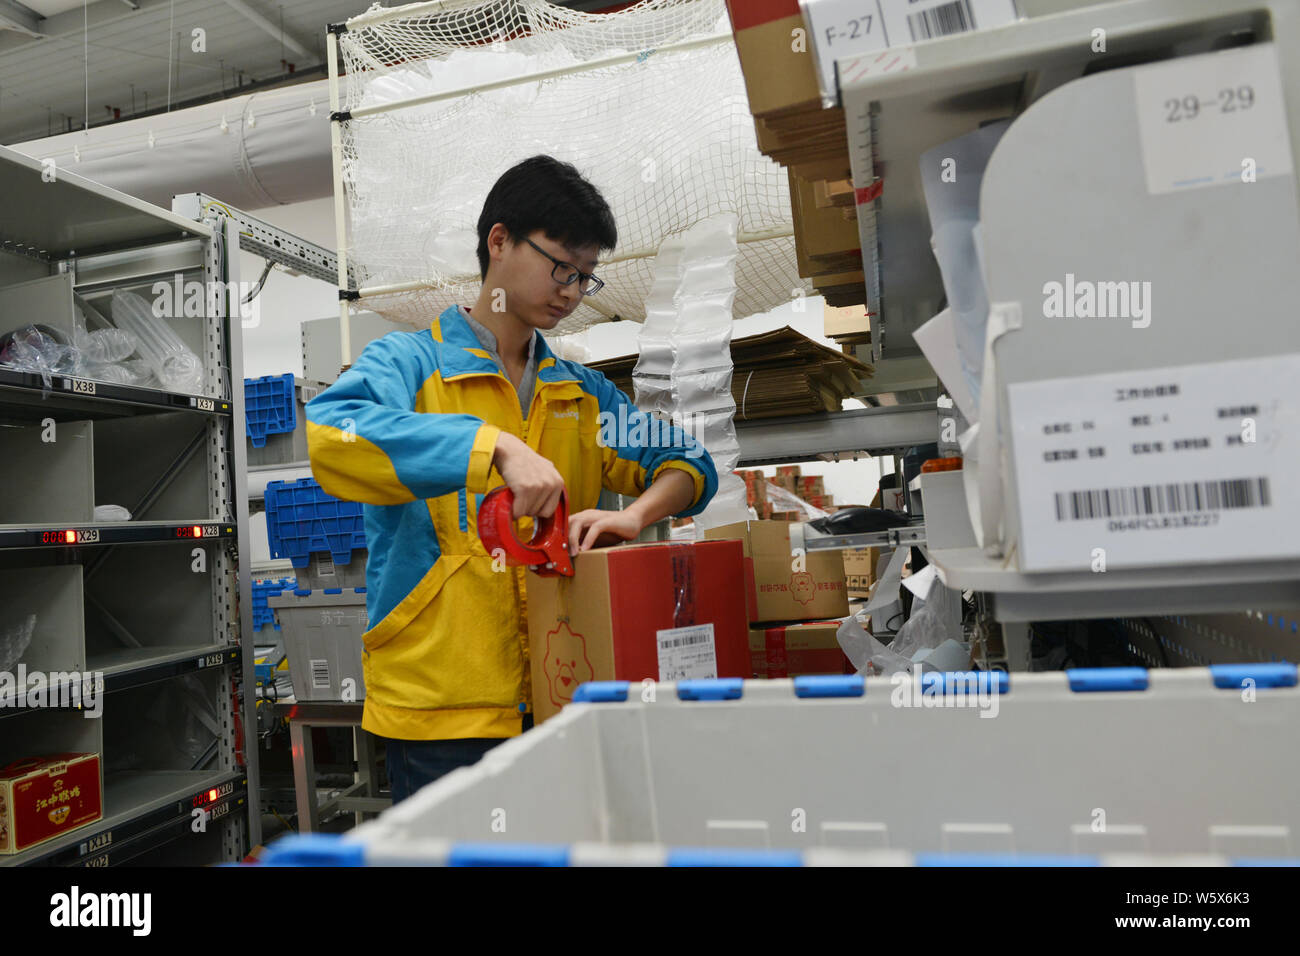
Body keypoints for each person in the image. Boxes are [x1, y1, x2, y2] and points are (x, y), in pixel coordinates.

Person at [306, 155, 717, 802]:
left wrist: (635, 516)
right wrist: (490, 446)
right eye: (561, 267)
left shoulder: (580, 394)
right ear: (499, 241)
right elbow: (333, 438)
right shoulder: (410, 366)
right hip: (443, 709)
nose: (572, 291)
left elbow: (687, 463)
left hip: (564, 689)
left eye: (585, 278)